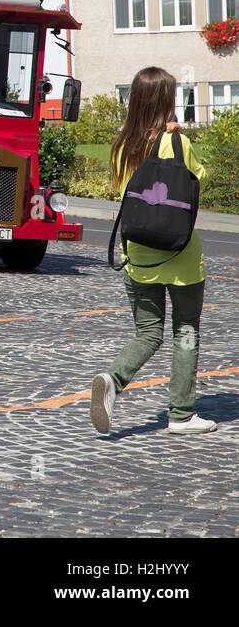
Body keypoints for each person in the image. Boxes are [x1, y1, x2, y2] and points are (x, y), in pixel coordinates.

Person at [90, 66, 215, 436]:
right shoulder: (176, 143)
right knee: (186, 330)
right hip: (181, 256)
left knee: (148, 332)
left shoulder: (121, 145)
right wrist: (178, 138)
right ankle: (180, 415)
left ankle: (113, 379)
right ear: (167, 101)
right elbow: (200, 180)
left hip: (139, 255)